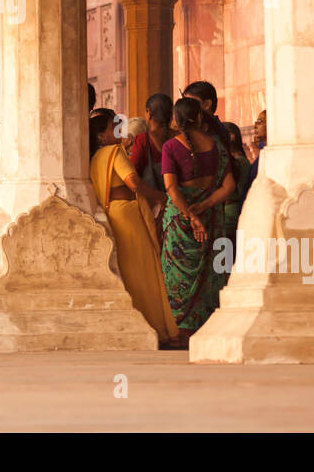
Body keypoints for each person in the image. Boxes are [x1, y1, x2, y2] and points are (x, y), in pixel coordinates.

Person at [89, 109, 178, 344]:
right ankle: (157, 328)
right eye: (112, 128)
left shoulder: (95, 157)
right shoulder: (113, 152)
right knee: (145, 270)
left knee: (130, 271)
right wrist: (160, 196)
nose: (117, 131)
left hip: (114, 213)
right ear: (100, 136)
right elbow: (134, 182)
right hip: (127, 213)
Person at [161, 97, 236, 340]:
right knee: (212, 273)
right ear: (200, 118)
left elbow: (171, 188)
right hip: (212, 218)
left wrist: (191, 216)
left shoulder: (171, 147)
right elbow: (228, 187)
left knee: (176, 274)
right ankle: (208, 326)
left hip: (181, 221)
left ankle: (179, 329)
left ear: (176, 119)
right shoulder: (216, 146)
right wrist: (203, 207)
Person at [129, 93, 175, 233]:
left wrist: (160, 197)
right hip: (179, 205)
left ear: (148, 113)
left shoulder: (143, 140)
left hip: (154, 207)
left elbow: (133, 174)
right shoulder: (180, 138)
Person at [220, 121, 252, 252]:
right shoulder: (231, 160)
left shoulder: (240, 162)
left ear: (231, 136)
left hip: (232, 211)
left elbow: (242, 191)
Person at [249, 109, 266, 186]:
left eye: (260, 122)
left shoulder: (272, 154)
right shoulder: (263, 152)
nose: (255, 126)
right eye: (256, 123)